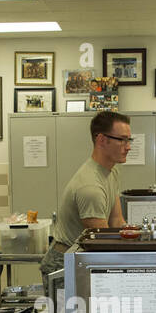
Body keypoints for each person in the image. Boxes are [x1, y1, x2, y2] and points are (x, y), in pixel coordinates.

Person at [39, 111, 129, 281]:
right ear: (102, 140)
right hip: (64, 265)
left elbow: (117, 221)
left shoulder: (111, 172)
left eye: (128, 140)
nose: (128, 146)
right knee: (70, 309)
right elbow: (102, 242)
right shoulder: (90, 186)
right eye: (122, 140)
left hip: (82, 258)